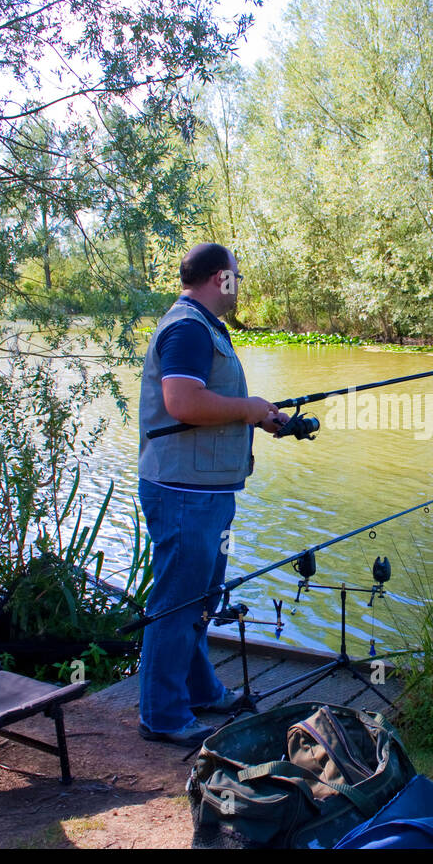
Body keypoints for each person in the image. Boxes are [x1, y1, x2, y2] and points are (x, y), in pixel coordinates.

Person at [136, 243, 288, 744]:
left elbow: (210, 401)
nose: (238, 285)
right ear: (220, 278)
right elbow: (182, 402)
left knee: (203, 598)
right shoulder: (187, 328)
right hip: (183, 493)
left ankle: (199, 690)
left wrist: (261, 417)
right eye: (236, 277)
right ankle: (163, 715)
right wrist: (246, 407)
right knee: (178, 603)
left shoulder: (203, 327)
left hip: (203, 490)